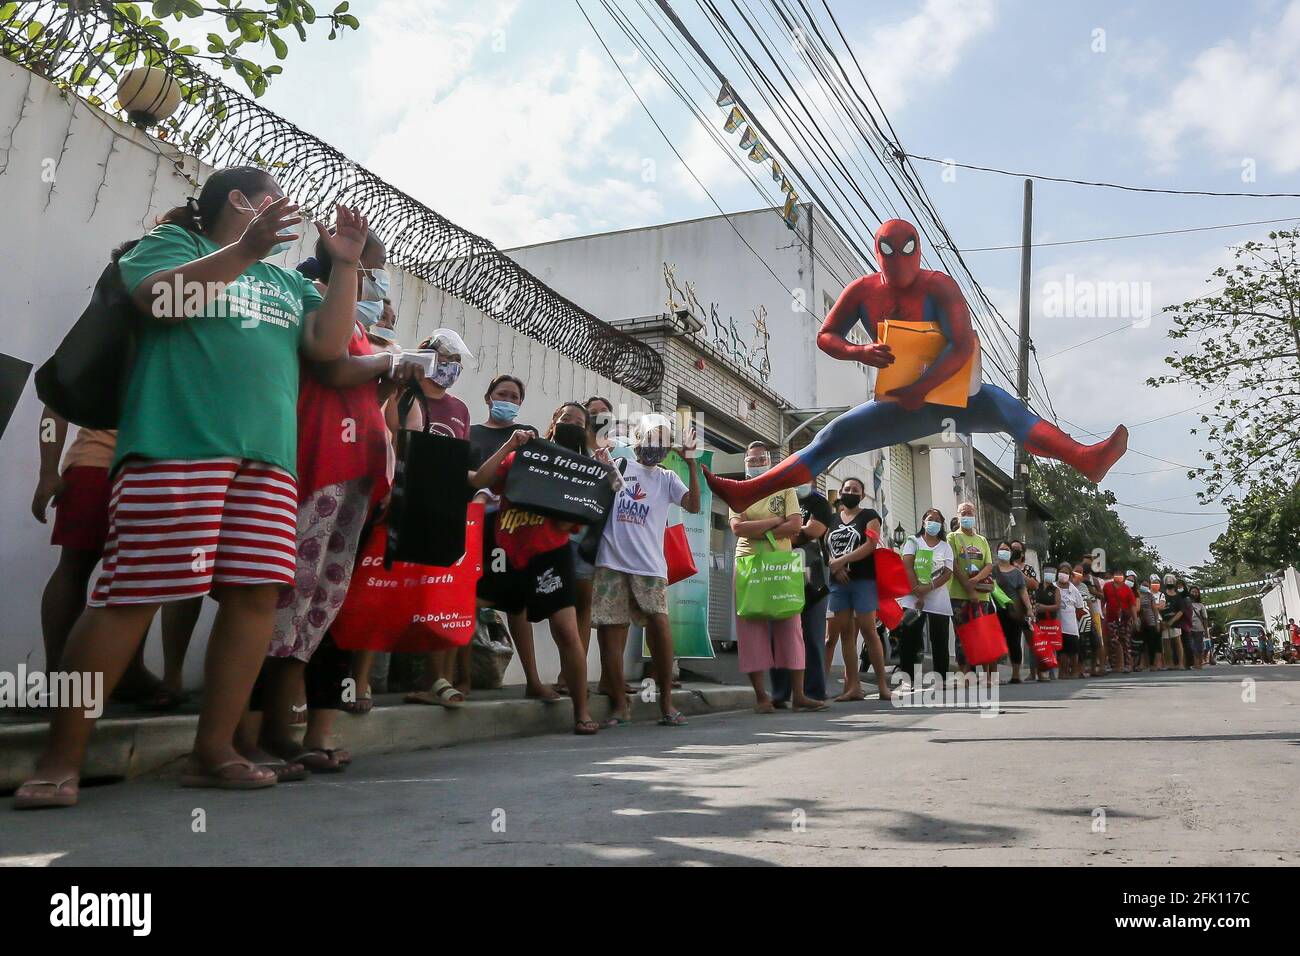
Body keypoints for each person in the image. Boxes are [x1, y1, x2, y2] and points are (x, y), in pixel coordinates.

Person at [16, 167, 369, 808]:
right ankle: (58, 759)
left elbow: (326, 346)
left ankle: (214, 753)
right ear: (239, 202)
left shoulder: (290, 282)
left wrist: (345, 268)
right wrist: (244, 250)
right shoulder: (176, 246)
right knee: (132, 592)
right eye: (272, 201)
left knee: (255, 597)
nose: (286, 215)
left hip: (267, 460)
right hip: (176, 445)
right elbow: (158, 301)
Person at [701, 220, 1128, 517]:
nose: (900, 268)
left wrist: (923, 388)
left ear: (918, 253)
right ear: (879, 257)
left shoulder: (940, 285)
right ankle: (750, 492)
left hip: (954, 394)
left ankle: (1082, 458)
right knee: (833, 437)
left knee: (1006, 408)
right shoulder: (862, 291)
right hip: (900, 403)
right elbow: (826, 336)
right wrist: (859, 352)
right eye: (890, 259)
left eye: (908, 256)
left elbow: (962, 346)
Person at [236, 227, 399, 777]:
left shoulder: (358, 327)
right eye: (366, 271)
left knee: (313, 610)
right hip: (317, 469)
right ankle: (243, 734)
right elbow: (331, 368)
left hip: (353, 477)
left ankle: (281, 733)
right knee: (280, 603)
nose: (375, 283)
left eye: (373, 272)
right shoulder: (318, 310)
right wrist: (390, 362)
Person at [31, 414, 205, 710]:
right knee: (91, 569)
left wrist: (49, 469)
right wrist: (47, 470)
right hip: (135, 467)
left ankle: (103, 676)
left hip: (129, 467)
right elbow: (54, 409)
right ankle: (66, 680)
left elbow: (53, 408)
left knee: (88, 570)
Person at [475, 403, 611, 735]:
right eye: (566, 419)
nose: (571, 425)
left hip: (551, 554)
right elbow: (482, 479)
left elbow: (575, 521)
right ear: (552, 421)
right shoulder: (523, 453)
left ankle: (581, 711)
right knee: (472, 609)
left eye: (579, 423)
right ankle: (508, 681)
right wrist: (510, 445)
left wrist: (602, 477)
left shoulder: (586, 470)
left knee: (566, 630)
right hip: (507, 549)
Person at [592, 415, 700, 727]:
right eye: (651, 437)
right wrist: (602, 465)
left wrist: (691, 465)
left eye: (664, 441)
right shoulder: (620, 466)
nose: (657, 446)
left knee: (660, 632)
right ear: (638, 439)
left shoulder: (666, 478)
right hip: (610, 563)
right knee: (610, 637)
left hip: (650, 567)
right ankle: (619, 705)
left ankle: (666, 702)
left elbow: (693, 505)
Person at [394, 330, 476, 708]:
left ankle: (436, 678)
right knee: (384, 588)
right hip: (400, 500)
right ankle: (360, 680)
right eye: (445, 359)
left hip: (442, 508)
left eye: (456, 362)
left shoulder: (460, 409)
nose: (450, 368)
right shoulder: (404, 395)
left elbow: (459, 462)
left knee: (439, 593)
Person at [729, 442, 826, 714]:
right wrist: (775, 524)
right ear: (745, 461)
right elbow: (737, 528)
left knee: (791, 628)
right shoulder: (739, 491)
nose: (757, 462)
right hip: (748, 565)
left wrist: (759, 528)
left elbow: (796, 526)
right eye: (752, 458)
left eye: (762, 458)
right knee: (751, 630)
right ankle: (762, 697)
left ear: (770, 461)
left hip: (782, 565)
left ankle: (799, 695)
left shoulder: (785, 489)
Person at [824, 477, 891, 701]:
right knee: (845, 633)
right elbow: (826, 546)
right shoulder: (832, 519)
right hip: (838, 583)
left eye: (855, 489)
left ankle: (883, 686)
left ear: (862, 495)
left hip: (863, 580)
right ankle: (853, 687)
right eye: (846, 489)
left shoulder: (870, 516)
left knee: (869, 630)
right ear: (841, 493)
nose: (850, 492)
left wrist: (842, 560)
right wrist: (836, 566)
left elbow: (870, 544)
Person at [771, 478, 834, 707]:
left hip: (813, 572)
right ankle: (780, 693)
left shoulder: (818, 503)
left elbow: (812, 531)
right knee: (779, 632)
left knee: (811, 632)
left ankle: (814, 692)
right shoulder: (777, 498)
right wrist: (786, 530)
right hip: (779, 568)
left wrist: (779, 530)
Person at [894, 508, 954, 687]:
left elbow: (948, 572)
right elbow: (907, 565)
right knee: (909, 638)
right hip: (913, 597)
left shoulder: (945, 546)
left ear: (941, 525)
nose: (933, 522)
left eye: (937, 520)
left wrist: (929, 588)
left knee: (940, 639)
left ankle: (941, 678)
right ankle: (908, 680)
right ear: (923, 522)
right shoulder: (913, 541)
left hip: (938, 599)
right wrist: (917, 589)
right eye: (930, 519)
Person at [947, 501, 995, 685]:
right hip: (958, 595)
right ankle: (965, 675)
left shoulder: (981, 540)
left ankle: (987, 676)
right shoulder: (952, 537)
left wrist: (975, 581)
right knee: (962, 636)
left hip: (982, 595)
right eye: (963, 513)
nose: (967, 516)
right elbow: (953, 564)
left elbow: (989, 565)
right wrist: (968, 586)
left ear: (975, 516)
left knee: (982, 635)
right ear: (958, 516)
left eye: (970, 513)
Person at [992, 540, 1032, 684]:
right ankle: (994, 676)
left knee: (1014, 642)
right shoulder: (992, 569)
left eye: (1006, 549)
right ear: (997, 552)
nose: (1004, 552)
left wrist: (1029, 609)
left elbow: (1023, 591)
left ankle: (1015, 675)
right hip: (995, 610)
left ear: (1010, 553)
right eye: (1001, 549)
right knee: (995, 642)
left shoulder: (1016, 572)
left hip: (1014, 611)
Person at [1102, 568, 1139, 674]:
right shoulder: (1107, 586)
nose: (1118, 576)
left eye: (1120, 574)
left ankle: (1128, 665)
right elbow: (1104, 600)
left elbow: (1132, 605)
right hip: (1111, 618)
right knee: (1113, 641)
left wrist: (1135, 619)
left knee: (1125, 641)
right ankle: (1113, 664)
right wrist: (1102, 611)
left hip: (1125, 619)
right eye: (1116, 574)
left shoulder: (1127, 589)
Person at [1033, 567, 1061, 680]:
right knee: (1039, 646)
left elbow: (1057, 606)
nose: (1050, 574)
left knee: (1051, 646)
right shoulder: (1037, 586)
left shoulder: (1055, 590)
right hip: (1038, 621)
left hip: (1051, 622)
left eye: (1053, 573)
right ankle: (1037, 672)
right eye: (1048, 572)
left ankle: (1052, 672)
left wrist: (1044, 608)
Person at [1187, 586, 1208, 671]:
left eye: (1196, 592)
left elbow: (1205, 618)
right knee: (1191, 646)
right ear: (1189, 592)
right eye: (1193, 591)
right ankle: (1193, 663)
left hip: (1199, 629)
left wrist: (1206, 631)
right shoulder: (1186, 603)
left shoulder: (1201, 605)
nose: (1194, 593)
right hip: (1188, 628)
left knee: (1199, 647)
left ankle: (1199, 663)